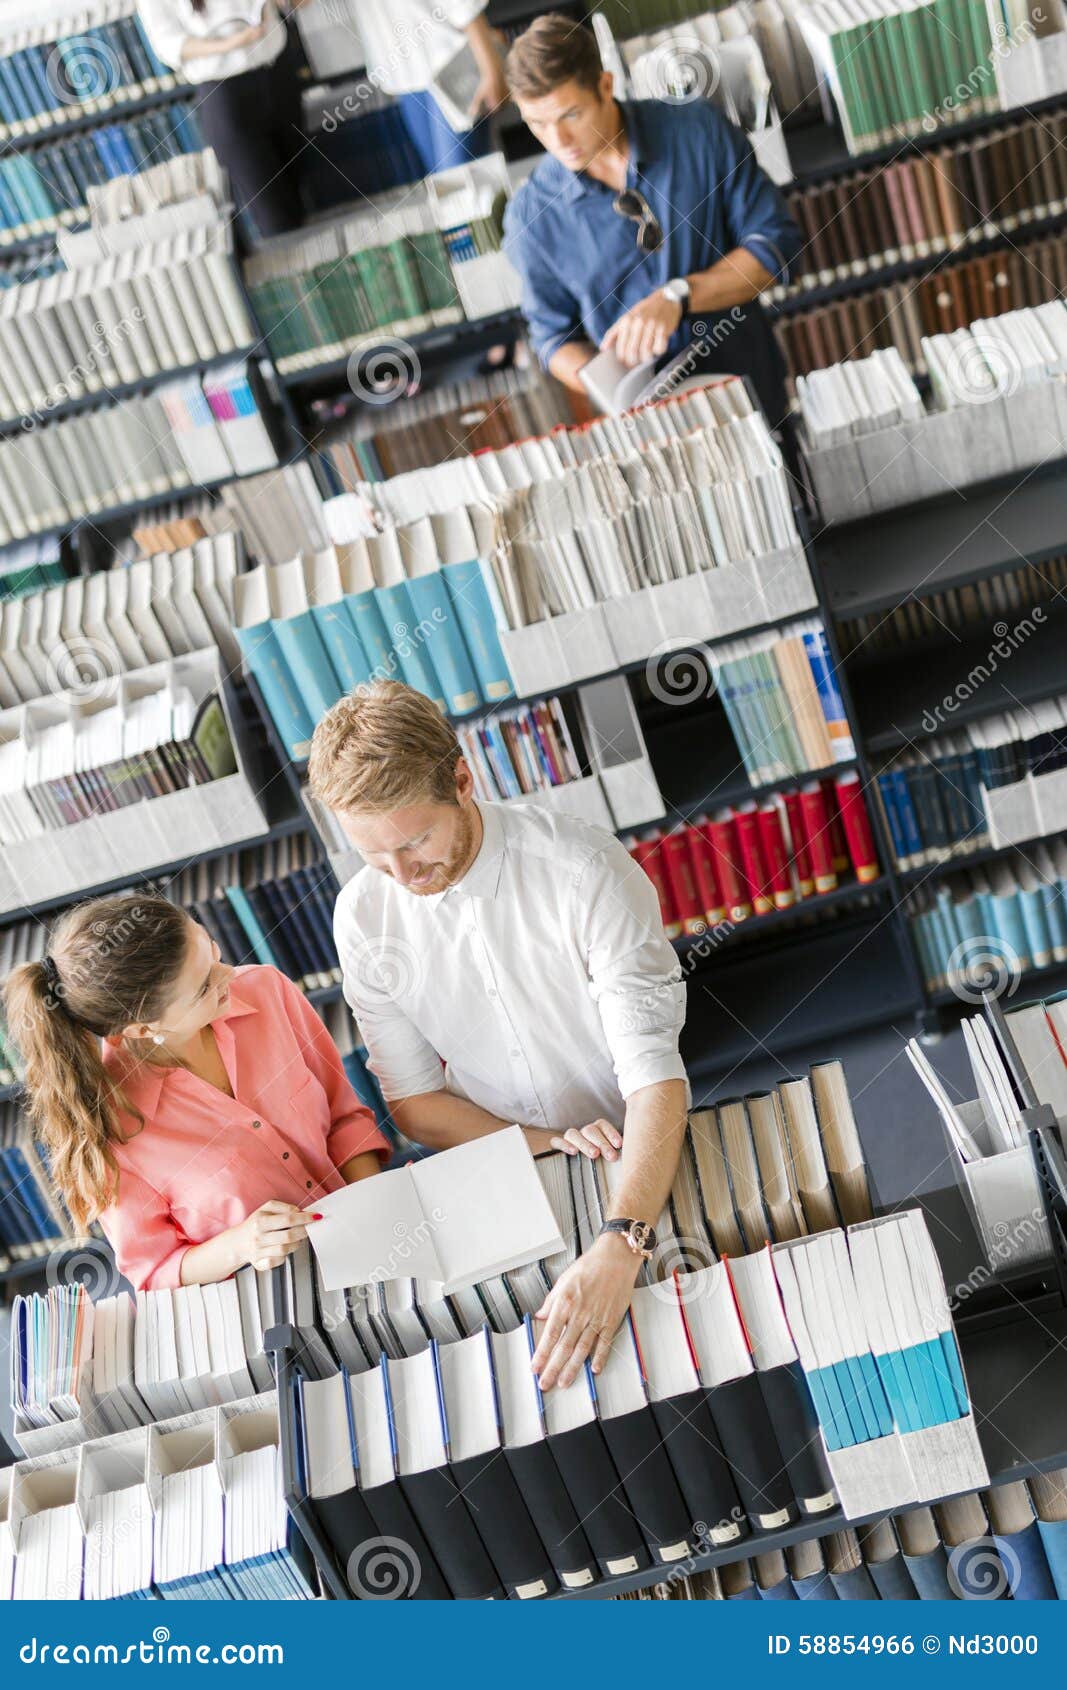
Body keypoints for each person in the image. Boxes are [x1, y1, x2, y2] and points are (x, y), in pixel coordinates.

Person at [308, 681, 689, 1390]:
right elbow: (415, 1103)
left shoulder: (584, 871)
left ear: (462, 780)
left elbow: (654, 1076)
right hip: (502, 1162)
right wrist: (546, 1142)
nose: (403, 875)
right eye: (374, 857)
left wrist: (622, 1241)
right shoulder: (362, 916)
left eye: (415, 841)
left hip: (636, 1146)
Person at [4, 894, 387, 1291]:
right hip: (281, 1293)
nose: (228, 975)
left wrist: (370, 1209)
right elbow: (153, 1270)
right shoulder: (113, 1125)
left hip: (374, 1233)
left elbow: (345, 1118)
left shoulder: (266, 989)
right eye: (204, 987)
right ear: (142, 1029)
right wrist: (240, 1245)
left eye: (212, 951)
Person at [501, 14, 802, 424]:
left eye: (570, 115)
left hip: (750, 390)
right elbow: (552, 340)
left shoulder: (697, 129)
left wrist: (677, 296)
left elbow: (776, 249)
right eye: (537, 123)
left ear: (605, 86)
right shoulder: (529, 217)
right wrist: (611, 389)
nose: (558, 141)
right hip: (649, 424)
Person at [137, 0, 312, 237]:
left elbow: (295, 6)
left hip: (278, 75)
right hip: (227, 96)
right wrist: (232, 43)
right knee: (277, 221)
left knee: (305, 197)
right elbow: (168, 46)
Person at [351, 0, 510, 175]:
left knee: (462, 178)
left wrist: (491, 70)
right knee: (447, 182)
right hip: (406, 79)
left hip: (450, 61)